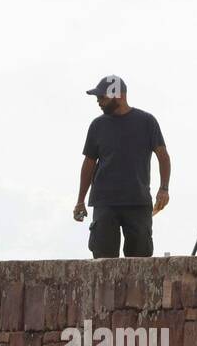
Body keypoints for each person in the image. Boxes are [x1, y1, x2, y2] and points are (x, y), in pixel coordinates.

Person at [73, 75, 171, 258]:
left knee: (140, 261)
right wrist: (80, 200)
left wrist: (164, 189)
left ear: (118, 96)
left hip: (138, 202)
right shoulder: (97, 125)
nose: (99, 102)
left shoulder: (147, 122)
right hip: (105, 202)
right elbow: (88, 163)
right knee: (103, 261)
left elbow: (163, 156)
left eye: (102, 97)